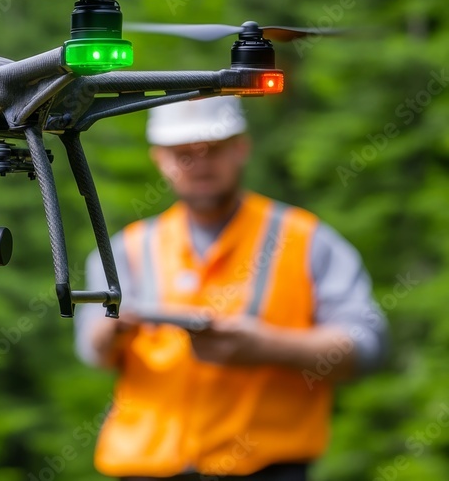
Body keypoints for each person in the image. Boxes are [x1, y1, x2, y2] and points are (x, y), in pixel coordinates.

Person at [75, 96, 388, 481]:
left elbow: (367, 346)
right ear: (159, 158)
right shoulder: (127, 249)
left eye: (212, 149)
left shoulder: (306, 239)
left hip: (266, 469)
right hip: (146, 467)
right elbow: (93, 352)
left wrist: (269, 347)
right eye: (183, 153)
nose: (199, 163)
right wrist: (110, 331)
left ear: (242, 147)